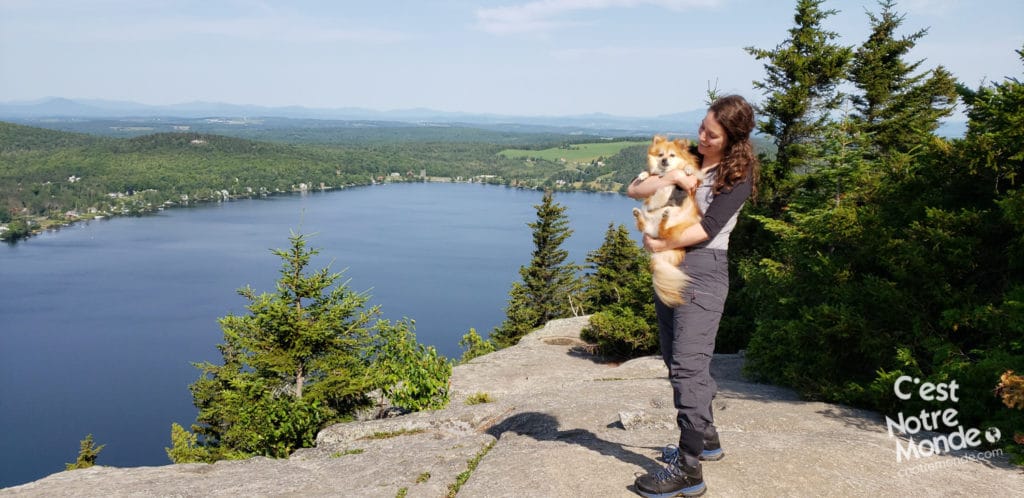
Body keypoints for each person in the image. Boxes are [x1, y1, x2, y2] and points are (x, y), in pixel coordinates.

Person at [626, 95, 759, 498]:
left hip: (703, 270)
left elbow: (709, 228)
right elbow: (635, 188)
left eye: (711, 133)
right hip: (672, 271)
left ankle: (689, 471)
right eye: (702, 127)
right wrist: (672, 178)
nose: (701, 137)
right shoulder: (691, 158)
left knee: (687, 367)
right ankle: (708, 438)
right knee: (674, 358)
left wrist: (661, 242)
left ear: (731, 139)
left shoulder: (740, 173)